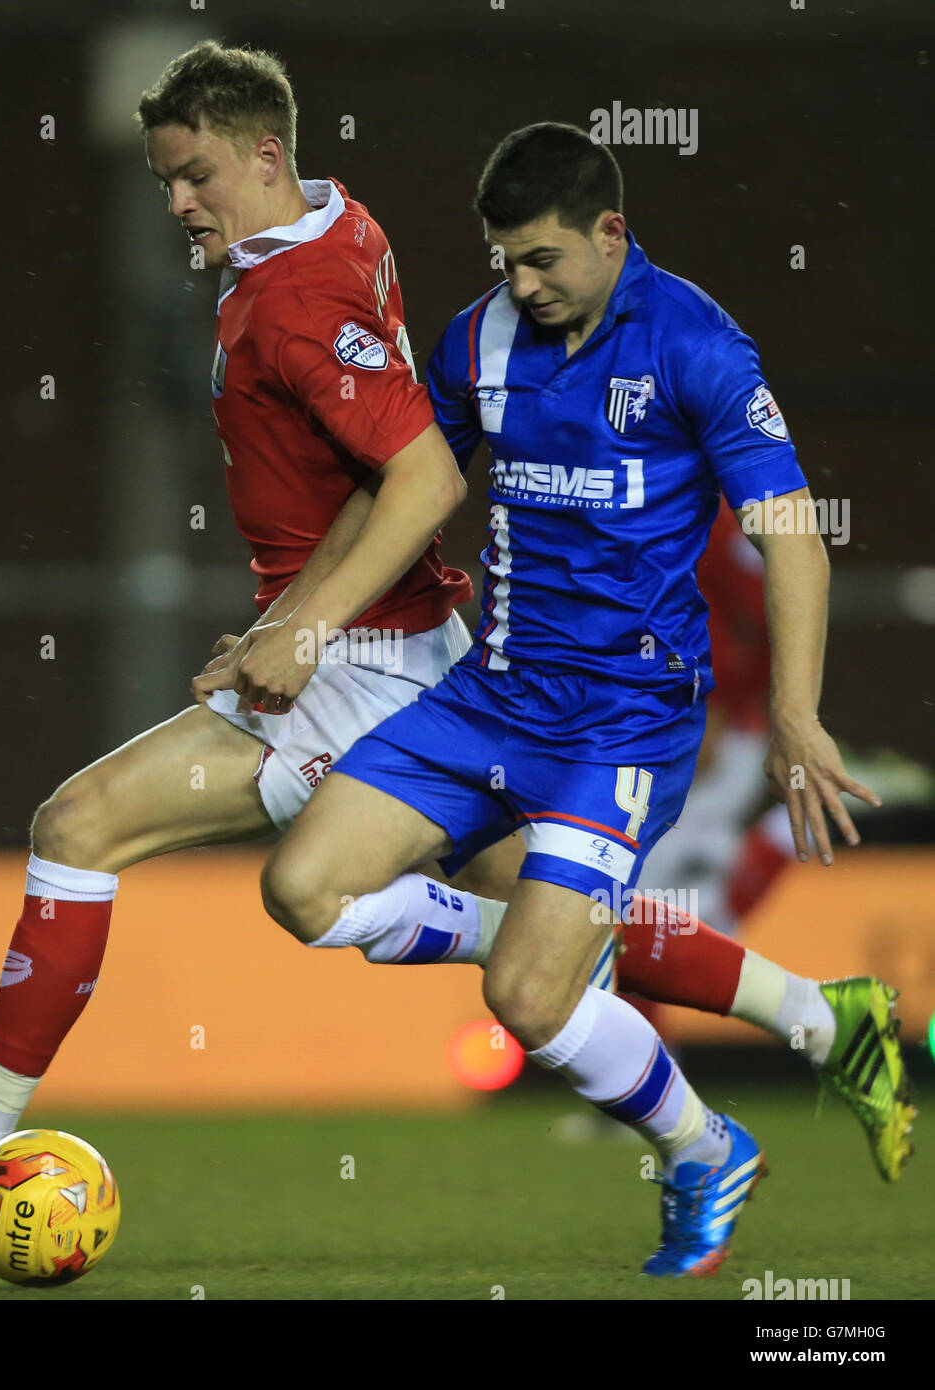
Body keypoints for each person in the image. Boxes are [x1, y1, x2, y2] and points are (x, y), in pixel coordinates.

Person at [0, 53, 910, 1243]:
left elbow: (424, 478)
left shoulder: (311, 302)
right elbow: (400, 461)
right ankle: (821, 1017)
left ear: (265, 157)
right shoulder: (349, 234)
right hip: (410, 658)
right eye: (167, 180)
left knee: (113, 833)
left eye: (195, 176)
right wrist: (282, 620)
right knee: (518, 912)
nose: (177, 201)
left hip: (385, 666)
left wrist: (306, 626)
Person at [258, 120, 906, 1277]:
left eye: (543, 259)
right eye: (505, 259)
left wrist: (798, 716)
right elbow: (406, 486)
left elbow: (794, 538)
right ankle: (684, 980)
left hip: (623, 727)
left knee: (527, 998)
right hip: (490, 698)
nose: (522, 284)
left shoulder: (697, 344)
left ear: (612, 233)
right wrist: (299, 622)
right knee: (300, 888)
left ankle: (703, 1148)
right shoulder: (478, 339)